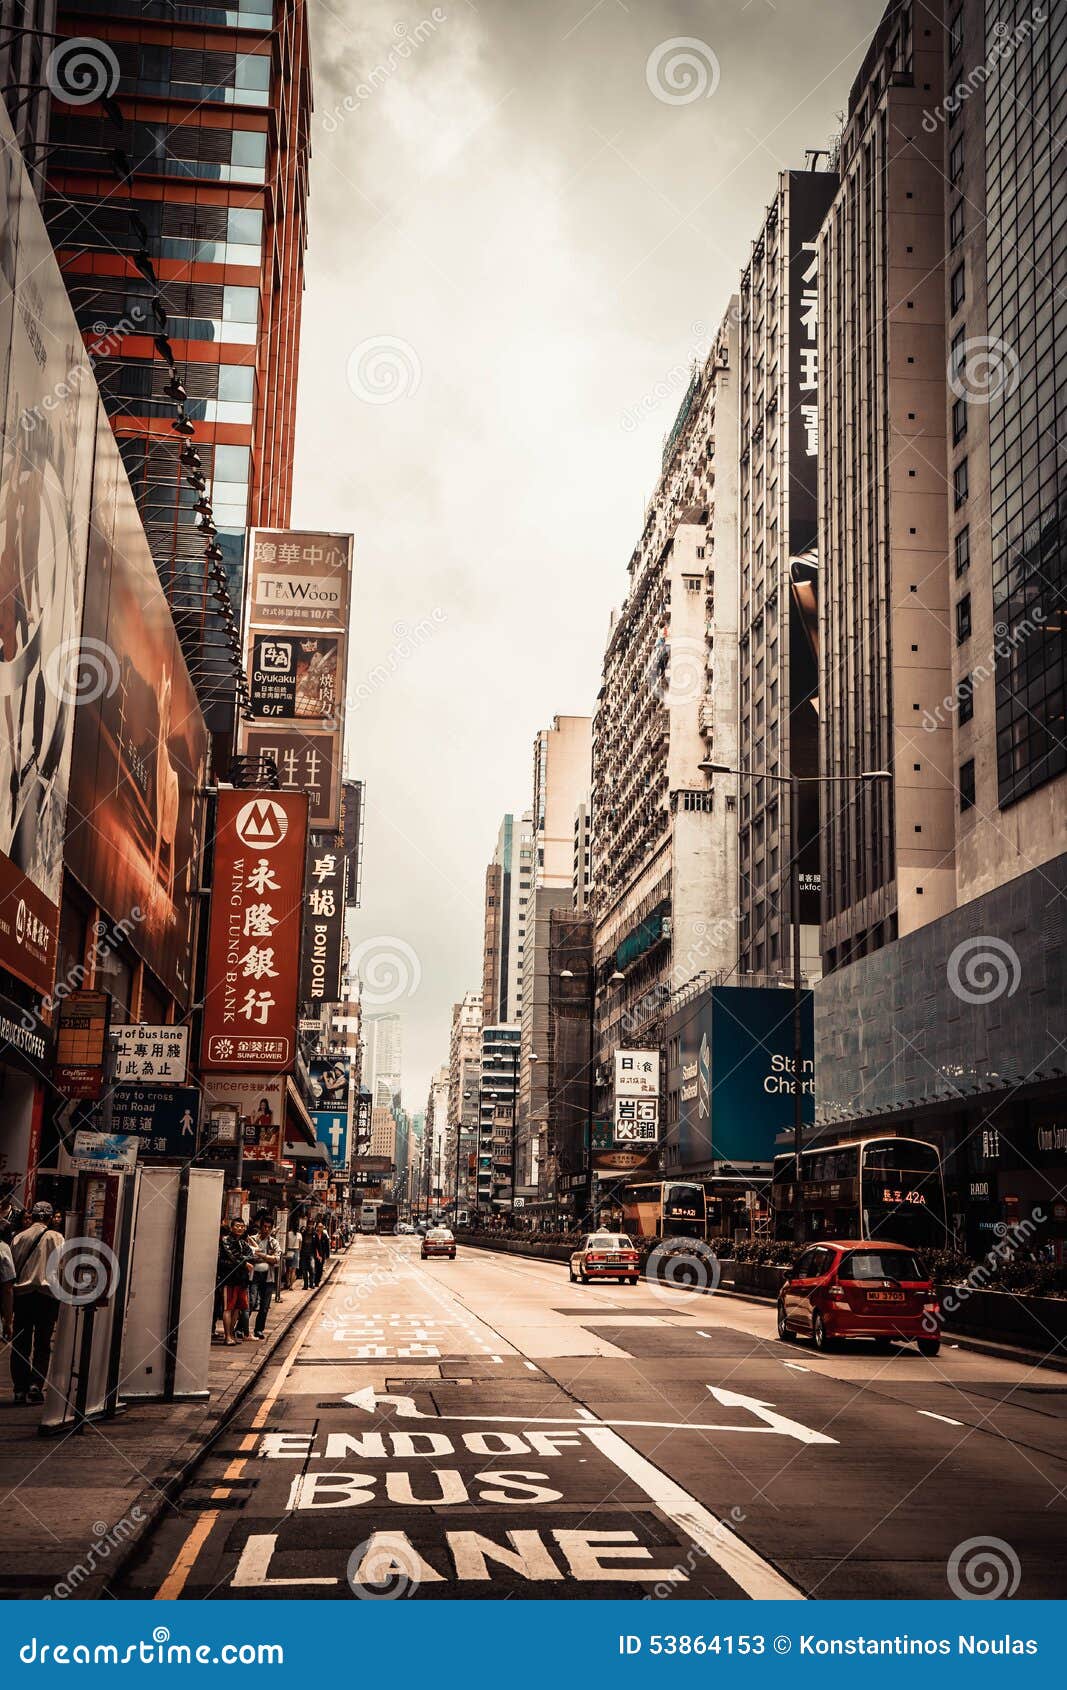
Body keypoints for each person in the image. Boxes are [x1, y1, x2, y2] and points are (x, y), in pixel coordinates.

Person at [10, 1201, 65, 1403]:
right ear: (50, 1218)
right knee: (42, 1344)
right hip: (46, 1297)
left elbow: (12, 1270)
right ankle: (35, 1384)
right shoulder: (57, 1238)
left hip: (22, 1297)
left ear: (32, 1216)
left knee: (21, 1343)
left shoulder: (19, 1237)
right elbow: (62, 1268)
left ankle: (19, 1389)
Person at [218, 1217, 254, 1346]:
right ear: (232, 1227)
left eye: (242, 1226)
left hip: (241, 1279)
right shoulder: (226, 1240)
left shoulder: (243, 1243)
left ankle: (231, 1334)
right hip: (229, 1279)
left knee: (237, 1308)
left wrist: (244, 1260)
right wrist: (245, 1263)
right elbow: (232, 1256)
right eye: (237, 1226)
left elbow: (251, 1255)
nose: (240, 1228)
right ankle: (227, 1336)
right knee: (228, 1307)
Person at [248, 1213, 280, 1340]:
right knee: (251, 1302)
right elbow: (250, 1256)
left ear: (272, 1228)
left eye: (269, 1227)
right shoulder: (253, 1239)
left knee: (265, 1306)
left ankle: (259, 1330)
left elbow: (276, 1259)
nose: (266, 1229)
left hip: (268, 1277)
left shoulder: (273, 1242)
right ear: (260, 1227)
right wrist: (267, 1257)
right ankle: (241, 1328)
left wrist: (261, 1256)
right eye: (264, 1226)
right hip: (254, 1276)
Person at [299, 1223, 317, 1290]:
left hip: (311, 1254)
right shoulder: (303, 1234)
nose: (310, 1226)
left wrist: (318, 1255)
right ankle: (305, 1285)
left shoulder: (314, 1234)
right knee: (304, 1270)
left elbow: (317, 1245)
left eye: (311, 1224)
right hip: (304, 1254)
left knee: (312, 1270)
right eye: (309, 1224)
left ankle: (311, 1284)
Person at [285, 1223, 301, 1291]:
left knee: (288, 1269)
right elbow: (300, 1246)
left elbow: (286, 1243)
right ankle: (291, 1286)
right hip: (296, 1251)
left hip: (289, 1250)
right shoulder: (299, 1235)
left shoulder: (288, 1234)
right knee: (293, 1270)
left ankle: (287, 1283)